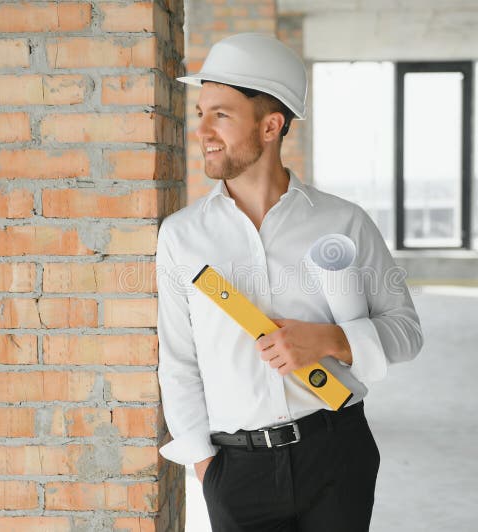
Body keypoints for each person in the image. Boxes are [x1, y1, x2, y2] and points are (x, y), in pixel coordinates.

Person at [156, 33, 423, 531]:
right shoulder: (182, 237)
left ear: (270, 126)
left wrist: (331, 340)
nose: (202, 130)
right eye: (200, 113)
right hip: (236, 472)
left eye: (221, 114)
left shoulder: (344, 223)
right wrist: (205, 468)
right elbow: (178, 362)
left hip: (336, 456)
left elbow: (407, 331)